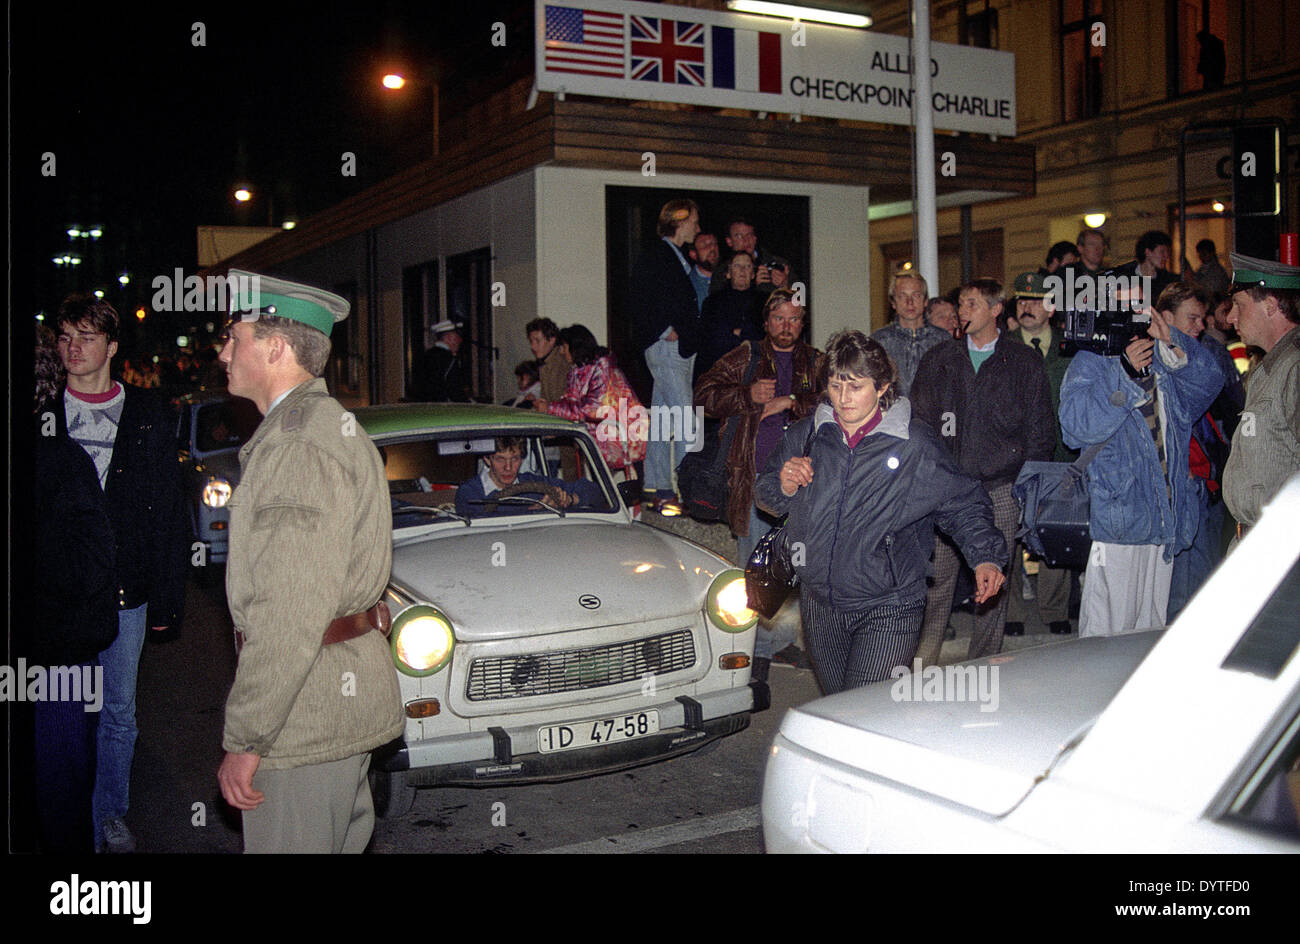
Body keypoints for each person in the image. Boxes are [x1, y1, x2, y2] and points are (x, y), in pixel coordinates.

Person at [216, 270, 403, 853]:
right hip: (338, 703)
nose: (223, 352)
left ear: (274, 347)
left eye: (233, 337)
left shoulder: (296, 445)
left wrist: (247, 739)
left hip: (305, 716)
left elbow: (289, 609)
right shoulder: (328, 426)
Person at [755, 331, 1007, 694]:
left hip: (889, 604)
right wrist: (783, 484)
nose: (843, 399)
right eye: (835, 385)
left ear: (882, 386)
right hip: (820, 603)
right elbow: (765, 495)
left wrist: (985, 557)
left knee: (863, 706)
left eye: (855, 387)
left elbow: (964, 502)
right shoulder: (807, 434)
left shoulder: (913, 443)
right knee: (838, 705)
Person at [51, 294, 188, 854]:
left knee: (118, 710)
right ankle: (60, 813)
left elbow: (168, 511)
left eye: (85, 336)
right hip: (58, 596)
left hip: (126, 593)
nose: (72, 348)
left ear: (111, 346)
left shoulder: (149, 413)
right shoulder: (41, 412)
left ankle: (109, 814)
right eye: (64, 336)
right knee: (60, 706)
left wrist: (168, 602)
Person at [1058, 292, 1223, 636]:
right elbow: (1075, 428)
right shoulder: (1091, 361)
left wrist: (1171, 338)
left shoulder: (1162, 359)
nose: (1135, 313)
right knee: (1107, 633)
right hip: (1119, 521)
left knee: (1149, 632)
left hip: (1163, 519)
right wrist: (1123, 374)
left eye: (1140, 305)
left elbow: (1211, 381)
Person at [911, 278, 1057, 661]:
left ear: (996, 310)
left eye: (972, 304)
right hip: (947, 492)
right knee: (937, 583)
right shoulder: (940, 359)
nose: (963, 312)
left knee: (994, 584)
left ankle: (982, 664)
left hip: (1000, 488)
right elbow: (920, 424)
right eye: (961, 304)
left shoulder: (1023, 363)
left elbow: (1041, 431)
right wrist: (928, 480)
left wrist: (1026, 487)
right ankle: (922, 662)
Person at [694, 288, 824, 680]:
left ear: (803, 323)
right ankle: (756, 650)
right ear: (767, 323)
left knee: (802, 567)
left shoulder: (815, 361)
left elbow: (837, 402)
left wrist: (791, 402)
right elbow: (703, 394)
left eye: (794, 319)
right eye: (779, 319)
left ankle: (784, 643)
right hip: (751, 481)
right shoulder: (747, 355)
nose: (787, 326)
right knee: (756, 568)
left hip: (804, 481)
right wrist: (746, 394)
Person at [29, 329, 119, 853]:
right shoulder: (62, 459)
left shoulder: (60, 463)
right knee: (62, 786)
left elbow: (93, 562)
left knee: (61, 786)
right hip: (63, 657)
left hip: (57, 659)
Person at [1154, 282, 1234, 619]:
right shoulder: (1149, 358)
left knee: (1203, 582)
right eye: (1192, 319)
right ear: (1166, 317)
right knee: (1181, 591)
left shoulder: (1205, 354)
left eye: (1203, 319)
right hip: (1179, 486)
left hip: (1207, 482)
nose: (1200, 327)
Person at [1004, 271, 1077, 637]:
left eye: (1035, 300)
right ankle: (1012, 609)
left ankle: (1054, 609)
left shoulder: (1069, 347)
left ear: (1052, 307)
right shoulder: (1003, 346)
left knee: (1056, 531)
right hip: (1014, 457)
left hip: (1060, 454)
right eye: (1022, 300)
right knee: (1010, 533)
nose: (1028, 307)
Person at [629, 197, 703, 510]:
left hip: (675, 349)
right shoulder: (658, 255)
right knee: (687, 419)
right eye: (694, 221)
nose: (698, 228)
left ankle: (657, 486)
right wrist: (664, 330)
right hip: (667, 348)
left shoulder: (673, 255)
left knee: (662, 418)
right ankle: (690, 492)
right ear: (680, 220)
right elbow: (638, 297)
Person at [1222, 253, 1300, 543]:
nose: (1230, 318)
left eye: (1239, 306)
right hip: (1256, 540)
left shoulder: (1294, 367)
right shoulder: (1268, 369)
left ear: (1270, 306)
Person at [536, 324, 648, 479]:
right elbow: (571, 402)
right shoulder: (576, 371)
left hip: (625, 433)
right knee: (600, 486)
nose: (561, 352)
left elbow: (591, 409)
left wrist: (549, 408)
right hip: (600, 435)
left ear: (573, 346)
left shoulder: (602, 367)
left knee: (620, 488)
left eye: (563, 347)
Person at [455, 436, 602, 517]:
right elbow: (481, 528)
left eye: (515, 459)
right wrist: (533, 512)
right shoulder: (469, 493)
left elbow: (597, 492)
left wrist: (569, 499)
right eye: (500, 459)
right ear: (487, 459)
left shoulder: (533, 482)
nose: (508, 467)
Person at [871, 271, 950, 397]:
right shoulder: (879, 342)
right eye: (902, 296)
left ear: (925, 301)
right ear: (893, 303)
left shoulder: (943, 340)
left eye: (916, 295)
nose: (910, 302)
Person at [694, 250, 764, 379]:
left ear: (753, 274)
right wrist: (741, 336)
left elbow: (762, 336)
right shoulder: (712, 303)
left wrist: (738, 333)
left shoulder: (764, 301)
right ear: (728, 273)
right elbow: (711, 339)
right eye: (737, 266)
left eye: (748, 266)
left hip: (754, 371)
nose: (742, 270)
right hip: (719, 371)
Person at [414, 319, 471, 401]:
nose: (460, 340)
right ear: (447, 338)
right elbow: (454, 389)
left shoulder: (426, 356)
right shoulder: (449, 359)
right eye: (456, 337)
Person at [526, 317, 571, 404]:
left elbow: (560, 402)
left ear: (551, 340)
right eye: (531, 341)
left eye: (537, 341)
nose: (533, 347)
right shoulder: (545, 364)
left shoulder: (562, 364)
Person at [688, 231, 720, 309]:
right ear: (693, 254)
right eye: (705, 245)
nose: (712, 248)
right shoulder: (687, 285)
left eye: (714, 243)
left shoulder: (729, 278)